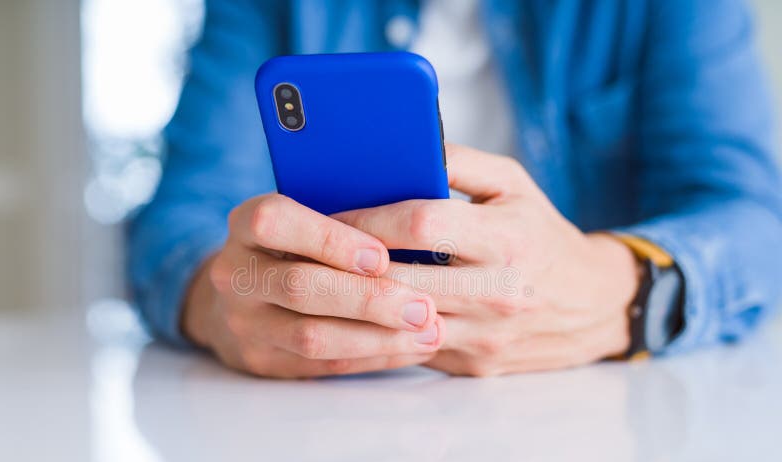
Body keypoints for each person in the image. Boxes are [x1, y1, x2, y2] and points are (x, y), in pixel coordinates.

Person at [128, 0, 782, 378]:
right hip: (331, 422)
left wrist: (624, 291)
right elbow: (175, 222)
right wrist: (222, 305)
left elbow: (752, 215)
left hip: (587, 416)